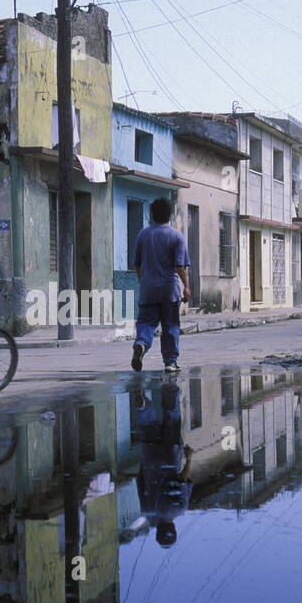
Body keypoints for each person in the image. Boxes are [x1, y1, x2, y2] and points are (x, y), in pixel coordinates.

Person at [131, 197, 191, 374]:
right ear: (170, 214)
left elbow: (137, 264)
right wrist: (186, 286)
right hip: (169, 290)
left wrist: (144, 282)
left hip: (148, 289)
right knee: (170, 325)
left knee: (146, 322)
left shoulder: (143, 234)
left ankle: (141, 343)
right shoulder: (176, 236)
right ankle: (170, 362)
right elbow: (180, 266)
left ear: (152, 215)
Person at [133, 382, 193, 545]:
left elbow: (182, 481)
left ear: (173, 529)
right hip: (150, 461)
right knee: (147, 429)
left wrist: (189, 459)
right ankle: (143, 407)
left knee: (172, 424)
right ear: (158, 531)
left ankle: (171, 394)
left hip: (171, 458)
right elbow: (140, 482)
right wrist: (145, 463)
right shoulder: (148, 511)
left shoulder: (179, 509)